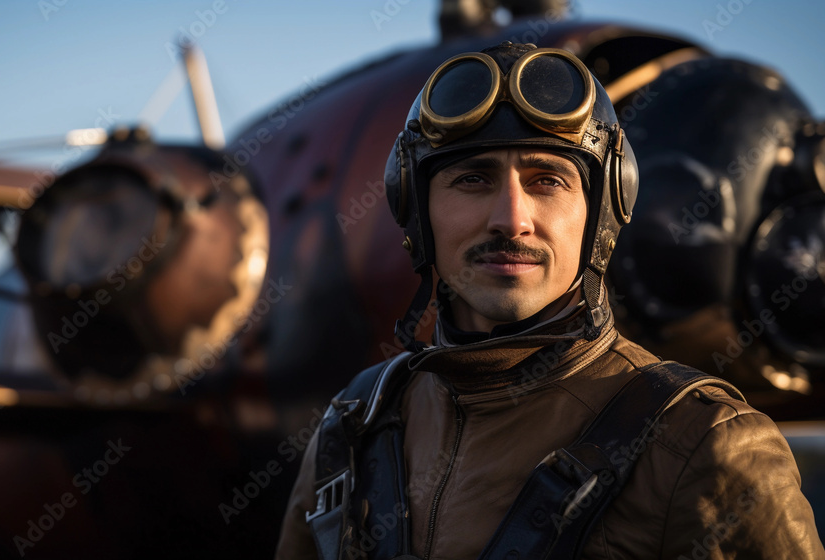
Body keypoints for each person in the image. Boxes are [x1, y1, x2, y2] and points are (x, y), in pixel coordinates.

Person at [275, 42, 824, 560]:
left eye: (548, 181)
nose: (511, 220)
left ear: (603, 212)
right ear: (414, 208)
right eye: (472, 178)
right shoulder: (352, 425)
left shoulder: (705, 444)